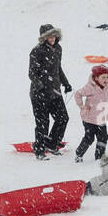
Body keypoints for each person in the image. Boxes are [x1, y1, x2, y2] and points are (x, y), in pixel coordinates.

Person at [28, 23, 72, 159]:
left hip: (55, 92)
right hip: (39, 94)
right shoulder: (37, 51)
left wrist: (66, 83)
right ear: (43, 38)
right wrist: (40, 85)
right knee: (42, 123)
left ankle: (52, 144)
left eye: (53, 35)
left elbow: (58, 68)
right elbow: (32, 74)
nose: (52, 38)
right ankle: (39, 151)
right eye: (48, 36)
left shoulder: (58, 48)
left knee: (63, 118)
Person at [73, 64, 108, 162]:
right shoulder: (90, 87)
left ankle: (99, 157)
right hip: (89, 119)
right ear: (96, 78)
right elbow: (78, 94)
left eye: (107, 77)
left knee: (103, 138)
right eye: (103, 77)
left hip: (102, 119)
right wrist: (82, 106)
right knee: (89, 138)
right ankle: (79, 154)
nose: (106, 79)